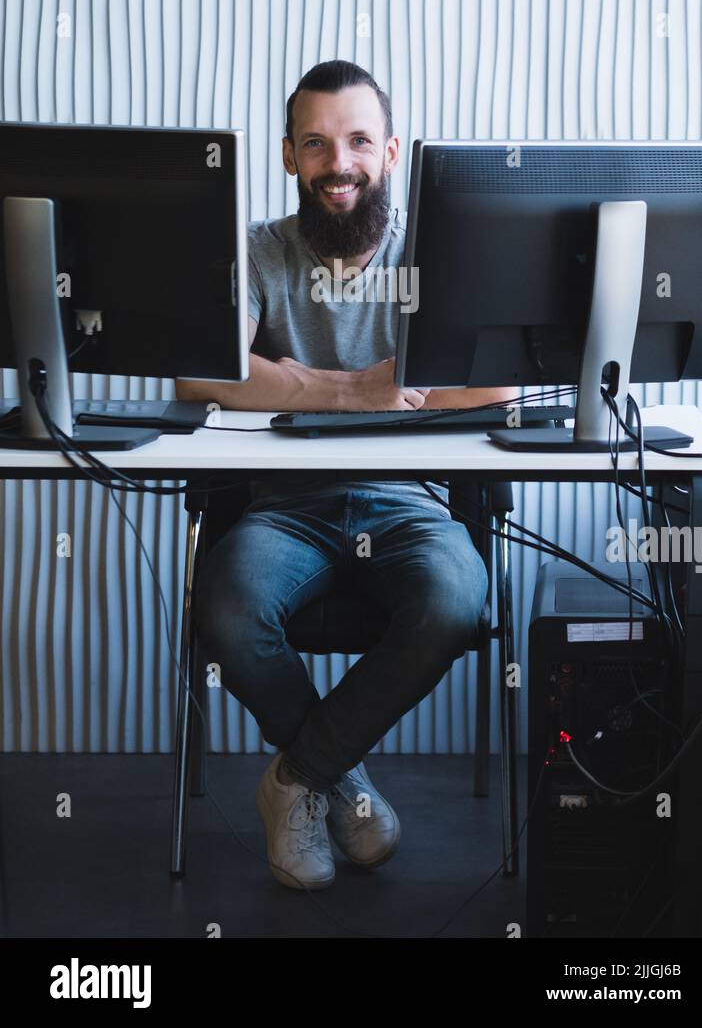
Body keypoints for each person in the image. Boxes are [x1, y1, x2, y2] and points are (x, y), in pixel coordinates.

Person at [176, 59, 514, 890]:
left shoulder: (433, 253)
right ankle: (340, 780)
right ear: (290, 156)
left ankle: (297, 780)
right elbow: (201, 375)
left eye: (359, 140)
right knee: (228, 608)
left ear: (390, 151)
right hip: (283, 509)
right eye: (318, 144)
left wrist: (284, 383)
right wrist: (354, 388)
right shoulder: (258, 252)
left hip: (406, 504)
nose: (341, 163)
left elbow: (495, 380)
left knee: (453, 596)